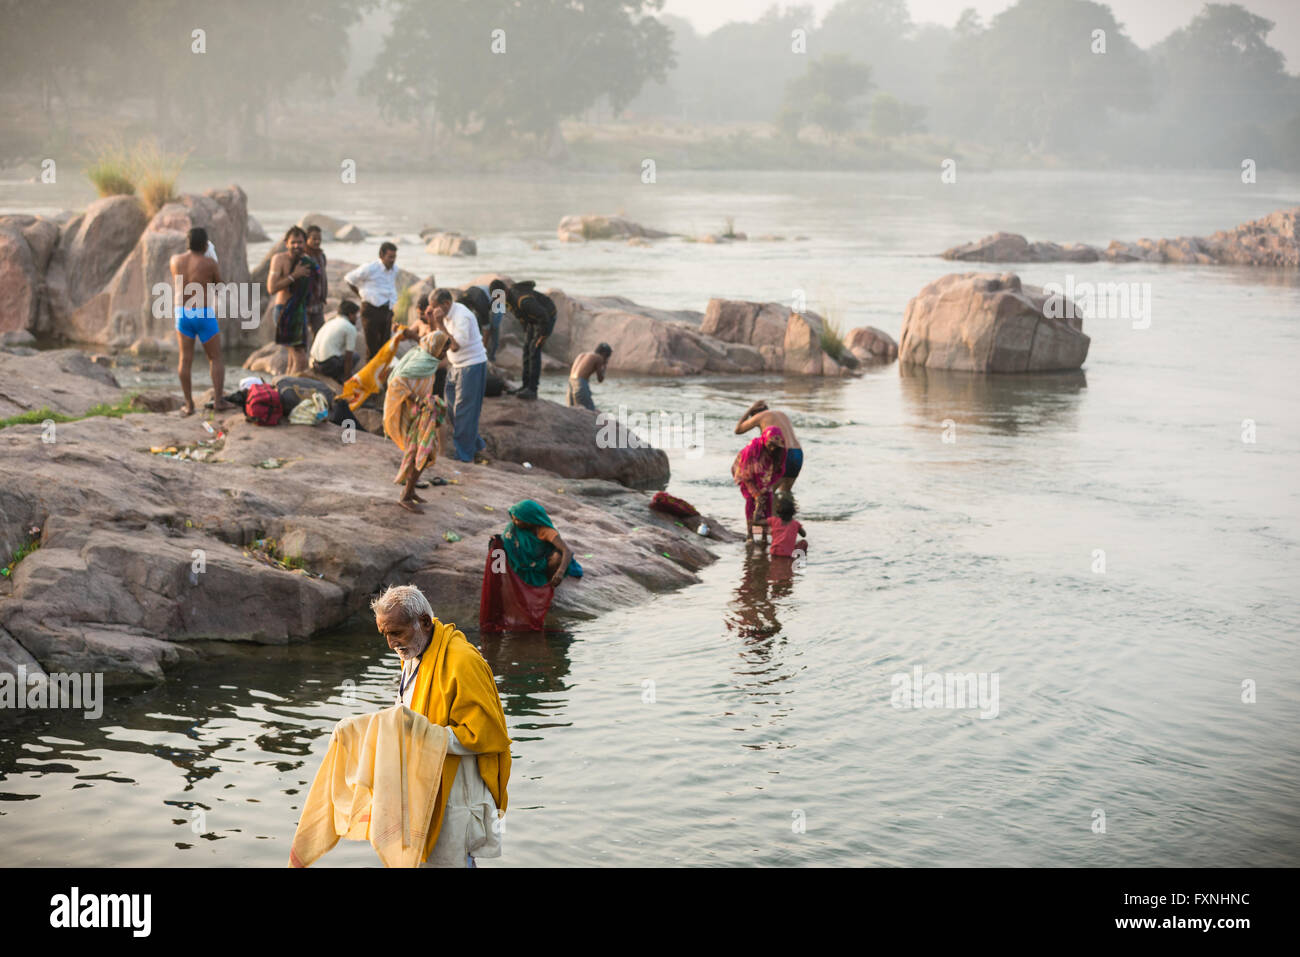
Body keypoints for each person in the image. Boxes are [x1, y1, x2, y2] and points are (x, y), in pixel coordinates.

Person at [373, 584, 511, 868]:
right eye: (385, 634)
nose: (391, 643)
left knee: (452, 861)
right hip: (421, 786)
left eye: (396, 632)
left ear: (424, 621)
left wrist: (420, 733)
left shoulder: (462, 661)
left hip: (454, 793)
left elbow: (486, 734)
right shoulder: (414, 653)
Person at [383, 331, 450, 513]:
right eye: (443, 349)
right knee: (419, 453)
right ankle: (405, 496)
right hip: (410, 413)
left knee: (424, 452)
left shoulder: (429, 361)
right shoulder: (420, 361)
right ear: (434, 346)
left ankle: (410, 491)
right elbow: (396, 382)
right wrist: (416, 399)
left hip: (422, 412)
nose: (444, 353)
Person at [169, 227, 232, 416]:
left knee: (184, 360)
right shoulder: (209, 263)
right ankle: (219, 401)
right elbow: (219, 286)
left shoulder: (175, 260)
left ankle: (189, 405)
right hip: (203, 313)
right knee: (215, 358)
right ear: (205, 245)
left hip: (182, 313)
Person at [430, 288, 488, 463]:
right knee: (452, 410)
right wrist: (435, 321)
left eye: (435, 307)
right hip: (455, 366)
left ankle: (463, 457)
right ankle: (476, 445)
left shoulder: (462, 316)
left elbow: (454, 346)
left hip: (471, 366)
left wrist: (439, 324)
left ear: (446, 304)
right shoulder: (446, 314)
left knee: (464, 411)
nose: (434, 311)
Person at [267, 225, 317, 376]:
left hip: (300, 311)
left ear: (305, 243)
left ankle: (286, 384)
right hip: (284, 311)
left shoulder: (307, 261)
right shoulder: (279, 259)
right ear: (286, 242)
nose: (296, 246)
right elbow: (271, 288)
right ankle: (294, 386)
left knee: (294, 358)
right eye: (293, 242)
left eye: (300, 242)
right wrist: (294, 275)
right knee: (300, 357)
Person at [494, 279, 556, 400]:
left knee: (534, 351)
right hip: (532, 320)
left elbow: (544, 316)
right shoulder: (506, 299)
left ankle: (532, 390)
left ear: (505, 291)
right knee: (526, 350)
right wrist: (527, 333)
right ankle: (525, 385)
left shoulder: (523, 301)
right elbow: (521, 317)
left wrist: (542, 336)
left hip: (546, 317)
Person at [501, 499, 583, 590]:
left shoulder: (545, 530)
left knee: (557, 558)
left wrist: (560, 572)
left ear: (529, 520)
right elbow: (506, 542)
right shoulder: (514, 527)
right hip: (521, 562)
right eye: (513, 518)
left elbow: (567, 551)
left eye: (518, 520)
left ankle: (548, 584)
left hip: (541, 562)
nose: (514, 522)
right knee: (496, 549)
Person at [732, 425, 787, 544]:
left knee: (767, 501)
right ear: (764, 440)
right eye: (770, 445)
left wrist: (766, 487)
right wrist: (756, 494)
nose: (772, 448)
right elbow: (745, 475)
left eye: (775, 446)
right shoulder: (752, 450)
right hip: (746, 473)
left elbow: (779, 471)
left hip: (766, 475)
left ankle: (764, 536)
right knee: (751, 503)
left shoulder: (781, 451)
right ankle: (750, 534)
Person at [345, 242, 399, 362]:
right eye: (390, 257)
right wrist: (361, 295)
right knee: (372, 348)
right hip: (371, 309)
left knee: (385, 347)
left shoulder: (395, 269)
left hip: (386, 310)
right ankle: (369, 379)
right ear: (381, 255)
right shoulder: (370, 268)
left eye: (394, 257)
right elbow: (349, 278)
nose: (392, 260)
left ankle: (381, 377)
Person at [735, 399, 803, 492]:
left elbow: (738, 430)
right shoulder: (781, 414)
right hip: (797, 453)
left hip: (783, 454)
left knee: (769, 494)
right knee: (785, 493)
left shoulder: (759, 416)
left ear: (754, 413)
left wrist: (749, 410)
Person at [309, 300, 361, 382]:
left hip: (314, 363)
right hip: (327, 366)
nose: (356, 318)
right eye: (355, 315)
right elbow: (349, 357)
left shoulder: (330, 322)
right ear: (350, 314)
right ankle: (340, 378)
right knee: (355, 356)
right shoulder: (350, 327)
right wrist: (347, 378)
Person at [566, 343, 611, 411]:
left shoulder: (582, 354)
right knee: (589, 410)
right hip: (580, 384)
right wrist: (604, 366)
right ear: (605, 354)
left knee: (572, 409)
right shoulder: (599, 358)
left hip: (570, 382)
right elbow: (600, 379)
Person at [303, 224, 329, 339]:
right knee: (302, 337)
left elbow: (322, 277)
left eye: (319, 239)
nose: (317, 241)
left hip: (318, 302)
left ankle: (315, 357)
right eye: (314, 238)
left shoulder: (321, 256)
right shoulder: (303, 256)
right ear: (306, 239)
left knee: (320, 335)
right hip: (304, 303)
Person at [766, 492, 808, 559]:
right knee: (804, 543)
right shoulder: (795, 524)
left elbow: (756, 521)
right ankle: (799, 560)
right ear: (792, 512)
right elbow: (804, 534)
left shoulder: (774, 520)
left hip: (774, 552)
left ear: (779, 512)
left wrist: (758, 507)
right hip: (788, 554)